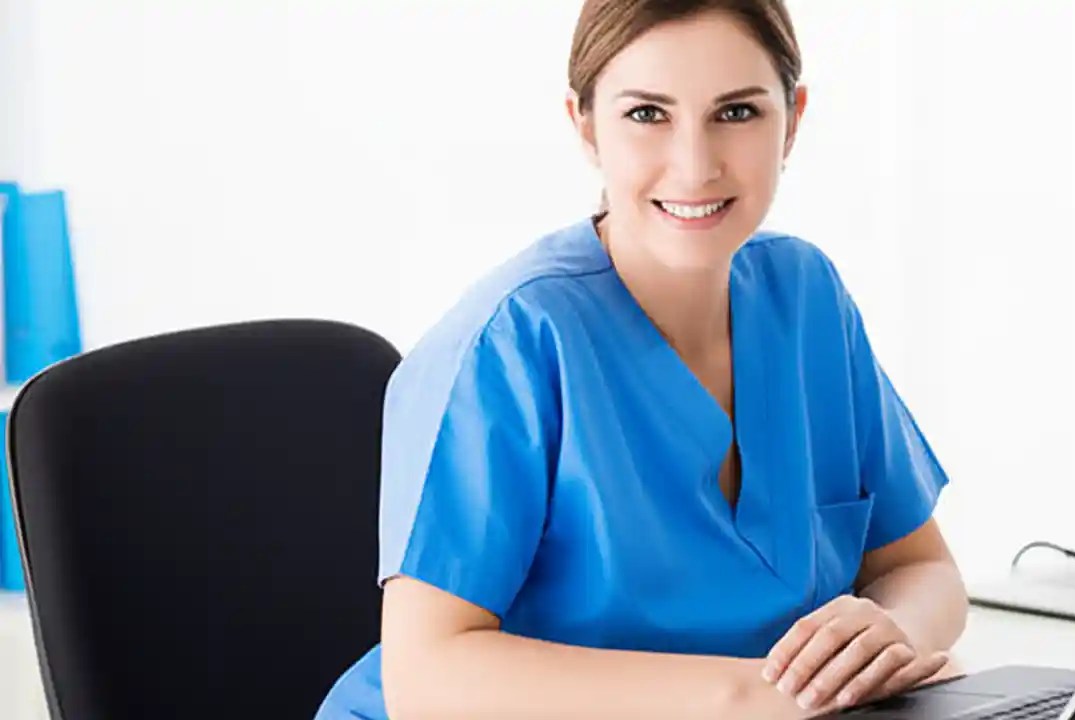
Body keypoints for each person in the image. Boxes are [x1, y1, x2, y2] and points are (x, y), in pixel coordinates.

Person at [316, 1, 968, 717]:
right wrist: (750, 697)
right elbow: (426, 678)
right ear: (585, 125)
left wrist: (886, 639)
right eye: (648, 115)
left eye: (738, 113)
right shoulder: (509, 341)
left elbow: (920, 567)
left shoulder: (806, 298)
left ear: (794, 119)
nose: (695, 165)